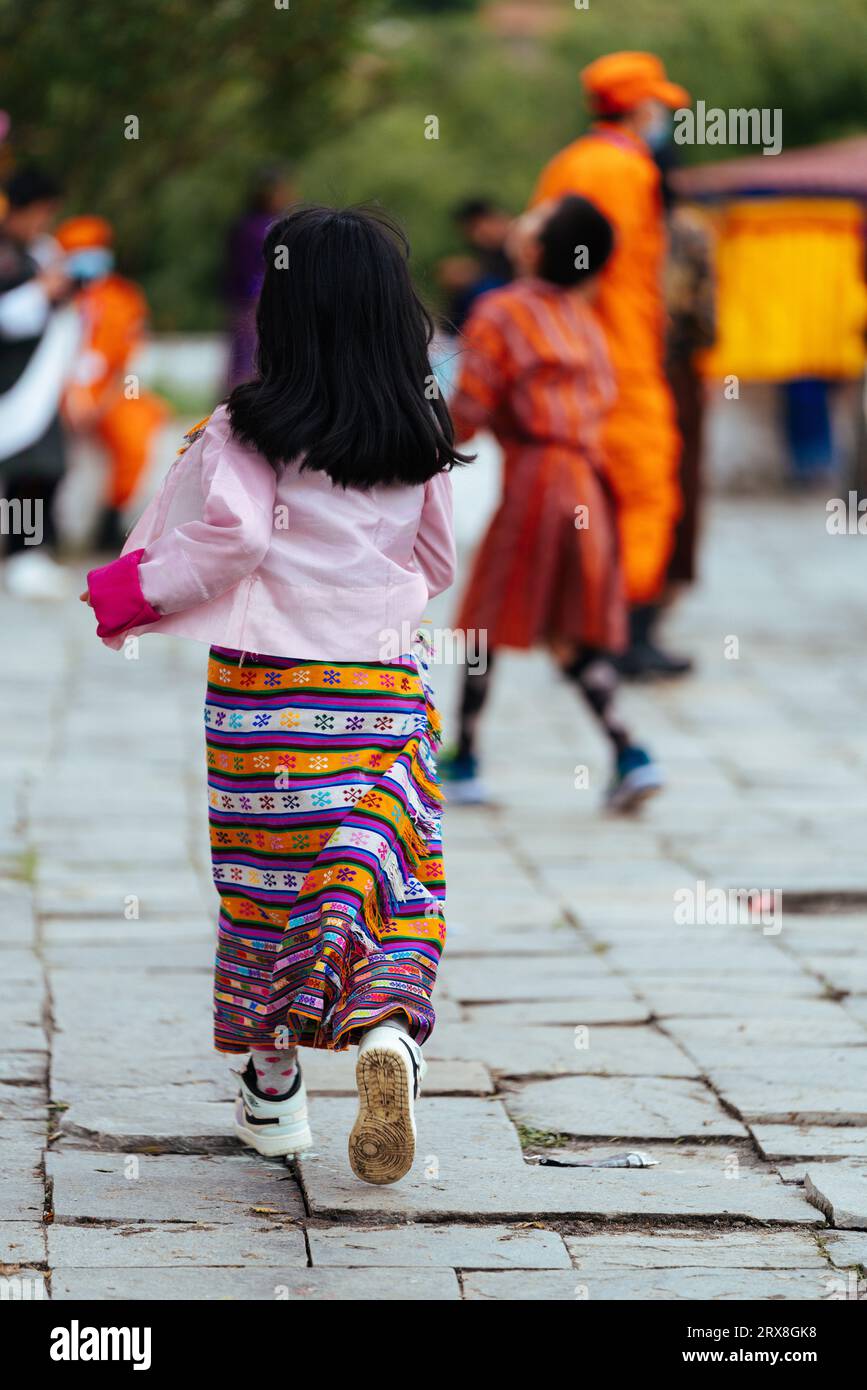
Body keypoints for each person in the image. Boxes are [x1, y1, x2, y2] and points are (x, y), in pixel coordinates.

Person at [83, 205, 461, 1186]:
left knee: (265, 889)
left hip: (263, 701)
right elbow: (438, 560)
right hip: (380, 692)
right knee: (387, 874)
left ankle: (274, 1091)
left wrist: (131, 589)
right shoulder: (423, 424)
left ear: (283, 306)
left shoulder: (248, 424)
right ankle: (386, 1031)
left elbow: (235, 541)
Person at [442, 196, 663, 812]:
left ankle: (464, 757)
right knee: (569, 627)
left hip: (539, 479)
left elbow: (472, 408)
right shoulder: (582, 319)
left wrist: (416, 444)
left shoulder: (501, 311)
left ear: (535, 250)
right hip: (589, 481)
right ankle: (629, 750)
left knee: (486, 614)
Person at [532, 52, 692, 677]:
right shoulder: (624, 168)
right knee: (646, 492)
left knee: (591, 497)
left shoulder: (569, 162)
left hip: (576, 359)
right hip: (619, 361)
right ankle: (627, 633)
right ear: (639, 106)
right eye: (659, 107)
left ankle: (592, 625)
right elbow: (589, 268)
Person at [55, 215, 169, 550]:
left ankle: (111, 520)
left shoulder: (124, 297)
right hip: (58, 394)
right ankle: (36, 532)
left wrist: (107, 398)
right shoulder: (54, 295)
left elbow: (133, 361)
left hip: (112, 392)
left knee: (137, 428)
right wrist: (72, 400)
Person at [0, 166, 75, 598]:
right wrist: (40, 294)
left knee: (43, 468)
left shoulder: (38, 253)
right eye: (40, 214)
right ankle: (18, 556)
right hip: (11, 383)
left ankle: (32, 553)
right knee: (26, 469)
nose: (42, 225)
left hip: (38, 384)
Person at [223, 167, 296, 390]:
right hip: (253, 303)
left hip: (268, 302)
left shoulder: (277, 224)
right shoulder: (253, 228)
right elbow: (244, 269)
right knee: (248, 359)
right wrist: (258, 296)